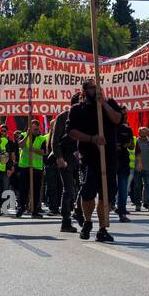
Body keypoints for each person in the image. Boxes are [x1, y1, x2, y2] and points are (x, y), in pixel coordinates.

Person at [66, 79, 123, 243]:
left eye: (98, 87)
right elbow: (71, 131)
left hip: (109, 157)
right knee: (88, 192)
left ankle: (102, 228)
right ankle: (88, 221)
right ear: (84, 91)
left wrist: (103, 103)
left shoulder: (110, 103)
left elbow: (117, 119)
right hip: (89, 157)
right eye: (92, 88)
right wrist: (92, 139)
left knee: (107, 194)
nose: (96, 90)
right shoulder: (77, 109)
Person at [49, 93, 80, 233]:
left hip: (77, 158)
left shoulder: (85, 118)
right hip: (65, 157)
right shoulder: (63, 117)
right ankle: (65, 221)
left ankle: (78, 212)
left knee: (80, 189)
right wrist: (59, 157)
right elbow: (54, 140)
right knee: (68, 189)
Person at [17, 117, 47, 217]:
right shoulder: (23, 135)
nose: (36, 131)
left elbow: (43, 152)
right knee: (23, 189)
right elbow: (20, 145)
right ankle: (21, 207)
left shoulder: (42, 138)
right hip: (25, 167)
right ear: (30, 129)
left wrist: (32, 149)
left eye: (37, 129)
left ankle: (35, 210)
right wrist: (27, 136)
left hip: (37, 168)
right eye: (34, 129)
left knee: (36, 191)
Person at [131, 125, 149, 211]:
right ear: (139, 133)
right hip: (137, 168)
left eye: (146, 132)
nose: (145, 134)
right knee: (137, 186)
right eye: (143, 132)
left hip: (148, 167)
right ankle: (138, 204)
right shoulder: (136, 142)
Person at [116, 118, 134, 223]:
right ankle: (107, 207)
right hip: (111, 160)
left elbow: (131, 146)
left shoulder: (128, 130)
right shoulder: (109, 128)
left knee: (123, 188)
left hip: (123, 161)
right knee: (110, 187)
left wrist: (129, 144)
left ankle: (122, 212)